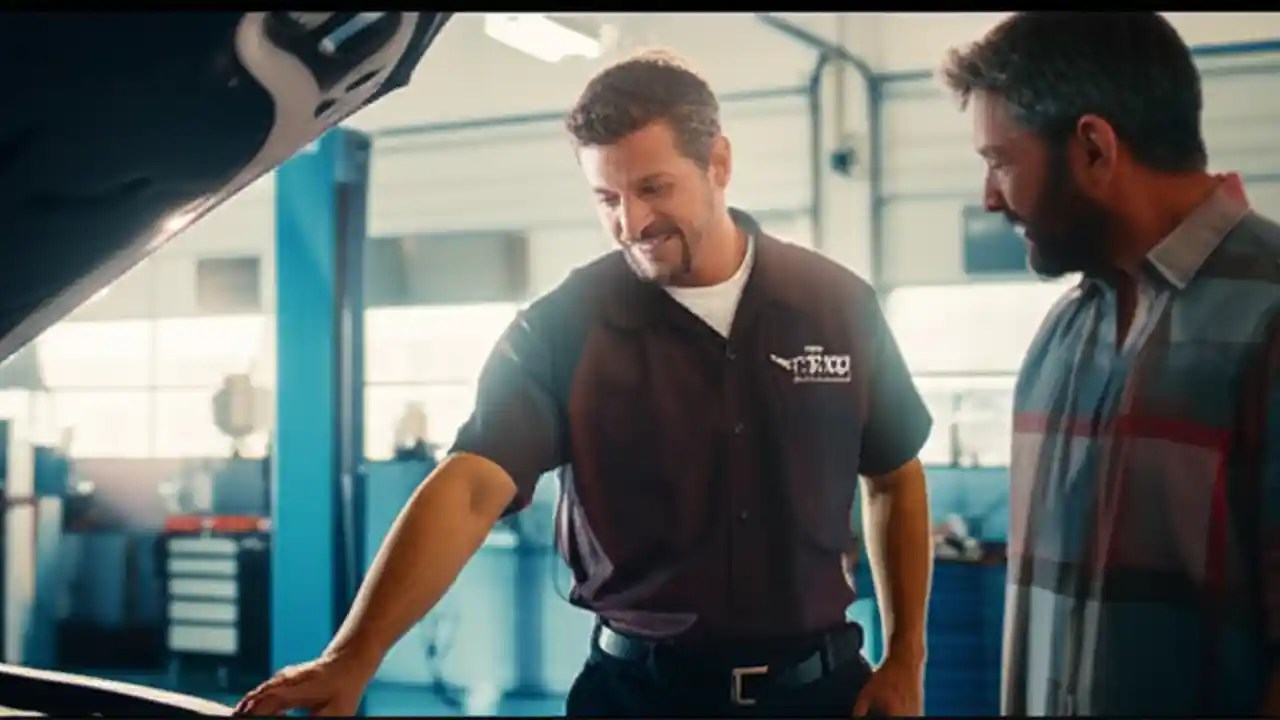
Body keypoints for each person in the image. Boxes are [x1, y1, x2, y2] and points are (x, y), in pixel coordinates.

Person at [235, 48, 934, 718]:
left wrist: (907, 658)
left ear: (718, 162)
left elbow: (894, 478)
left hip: (816, 695)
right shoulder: (563, 328)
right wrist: (354, 655)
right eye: (607, 197)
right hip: (639, 697)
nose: (631, 223)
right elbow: (471, 487)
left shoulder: (836, 305)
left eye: (654, 188)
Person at [940, 11, 1280, 717]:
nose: (990, 199)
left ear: (1094, 148)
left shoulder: (1268, 321)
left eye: (1000, 161)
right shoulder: (1061, 338)